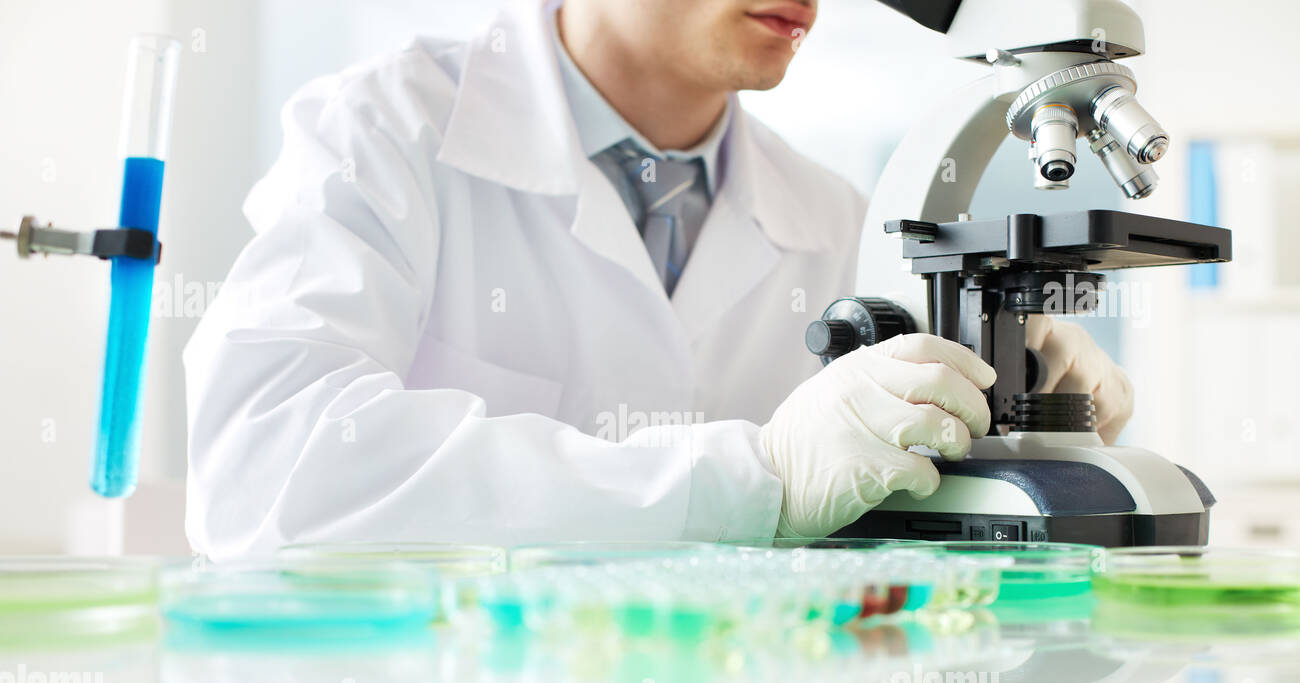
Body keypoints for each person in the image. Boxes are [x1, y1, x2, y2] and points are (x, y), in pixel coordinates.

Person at [183, 0, 1133, 559]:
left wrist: (999, 392)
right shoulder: (384, 134)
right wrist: (750, 479)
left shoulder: (838, 218)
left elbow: (876, 529)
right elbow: (266, 471)